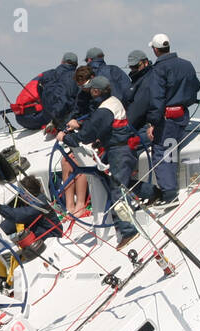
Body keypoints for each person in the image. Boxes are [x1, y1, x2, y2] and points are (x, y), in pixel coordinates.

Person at [60, 76, 141, 244]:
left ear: (96, 91)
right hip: (122, 149)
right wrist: (81, 126)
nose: (89, 92)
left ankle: (128, 231)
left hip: (117, 152)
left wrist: (64, 138)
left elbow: (86, 136)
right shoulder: (114, 102)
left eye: (91, 90)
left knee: (117, 191)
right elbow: (99, 126)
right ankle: (152, 193)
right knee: (114, 181)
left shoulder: (103, 110)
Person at [139, 33, 200, 203]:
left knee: (163, 153)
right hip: (182, 115)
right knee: (169, 151)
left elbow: (156, 98)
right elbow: (196, 86)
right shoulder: (187, 65)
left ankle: (169, 194)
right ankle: (169, 190)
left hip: (167, 119)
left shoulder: (158, 70)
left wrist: (152, 123)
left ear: (155, 50)